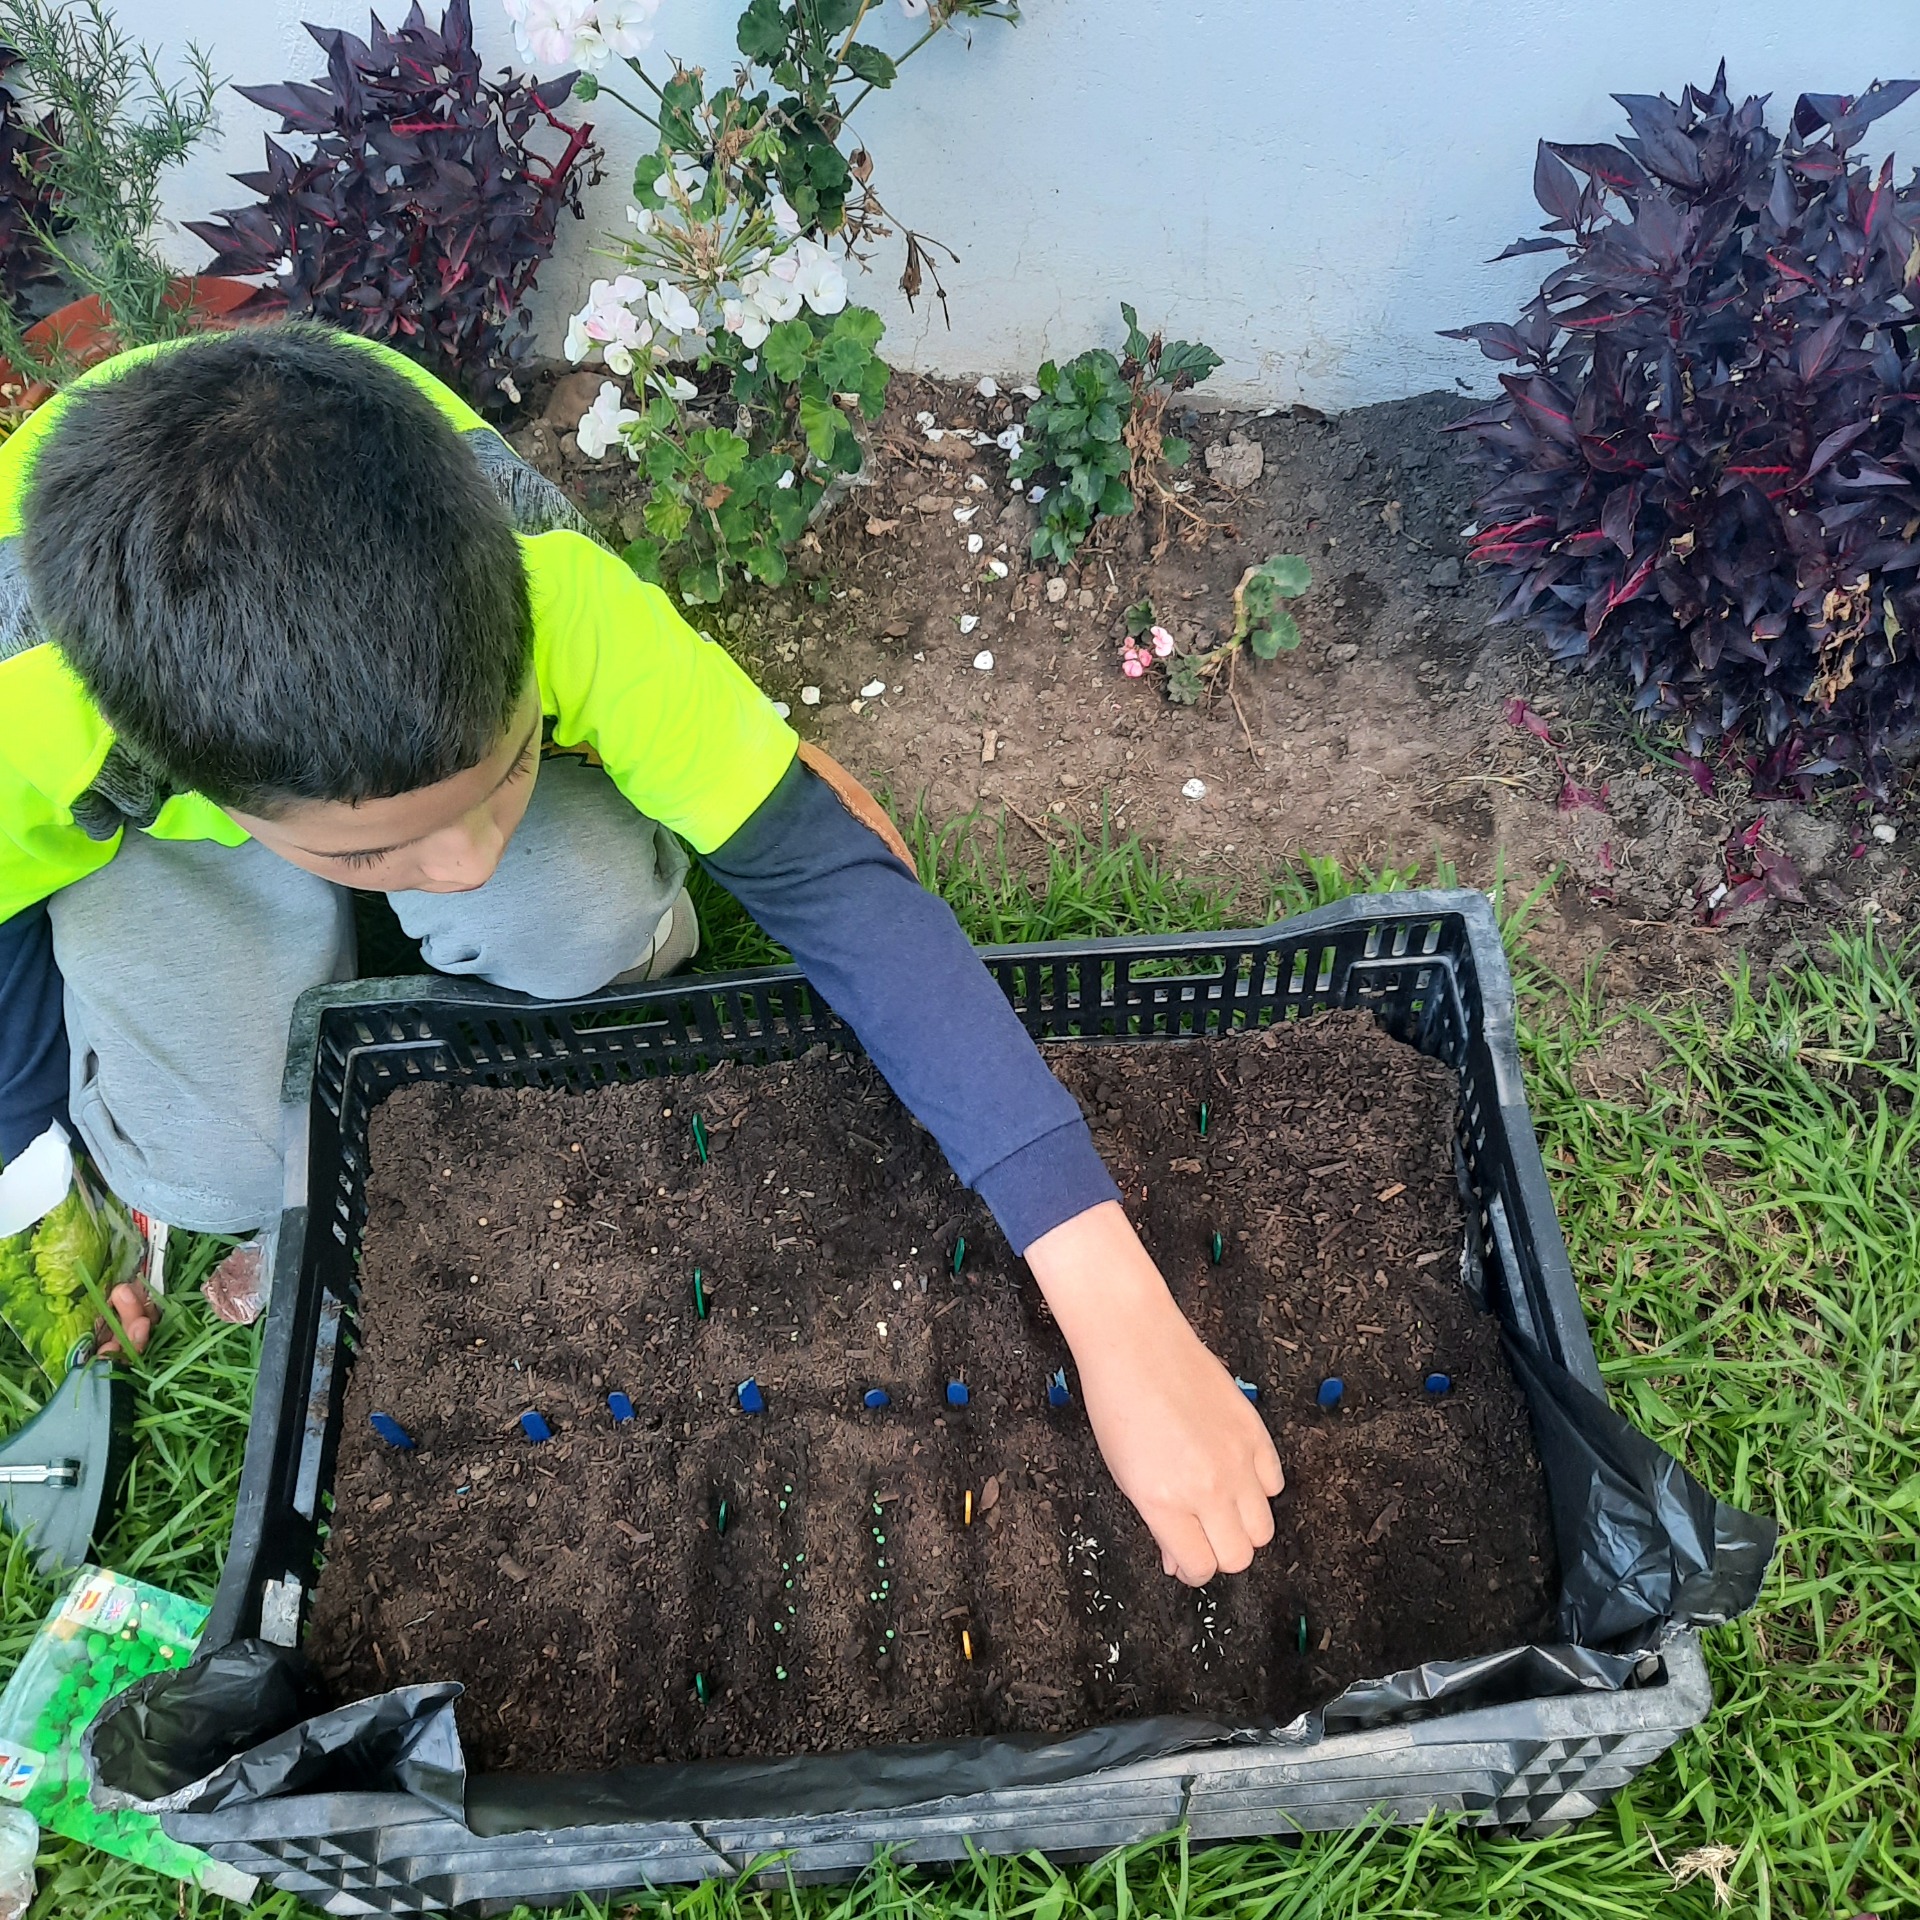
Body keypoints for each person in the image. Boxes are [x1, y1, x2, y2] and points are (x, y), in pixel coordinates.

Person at [0, 323, 1282, 1585]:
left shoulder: (545, 581)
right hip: (133, 833)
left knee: (574, 898)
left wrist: (1122, 1319)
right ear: (223, 795)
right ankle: (309, 917)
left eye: (502, 775)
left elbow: (835, 886)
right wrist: (39, 1179)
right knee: (223, 1160)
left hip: (358, 714)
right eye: (379, 855)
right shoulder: (27, 719)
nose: (464, 863)